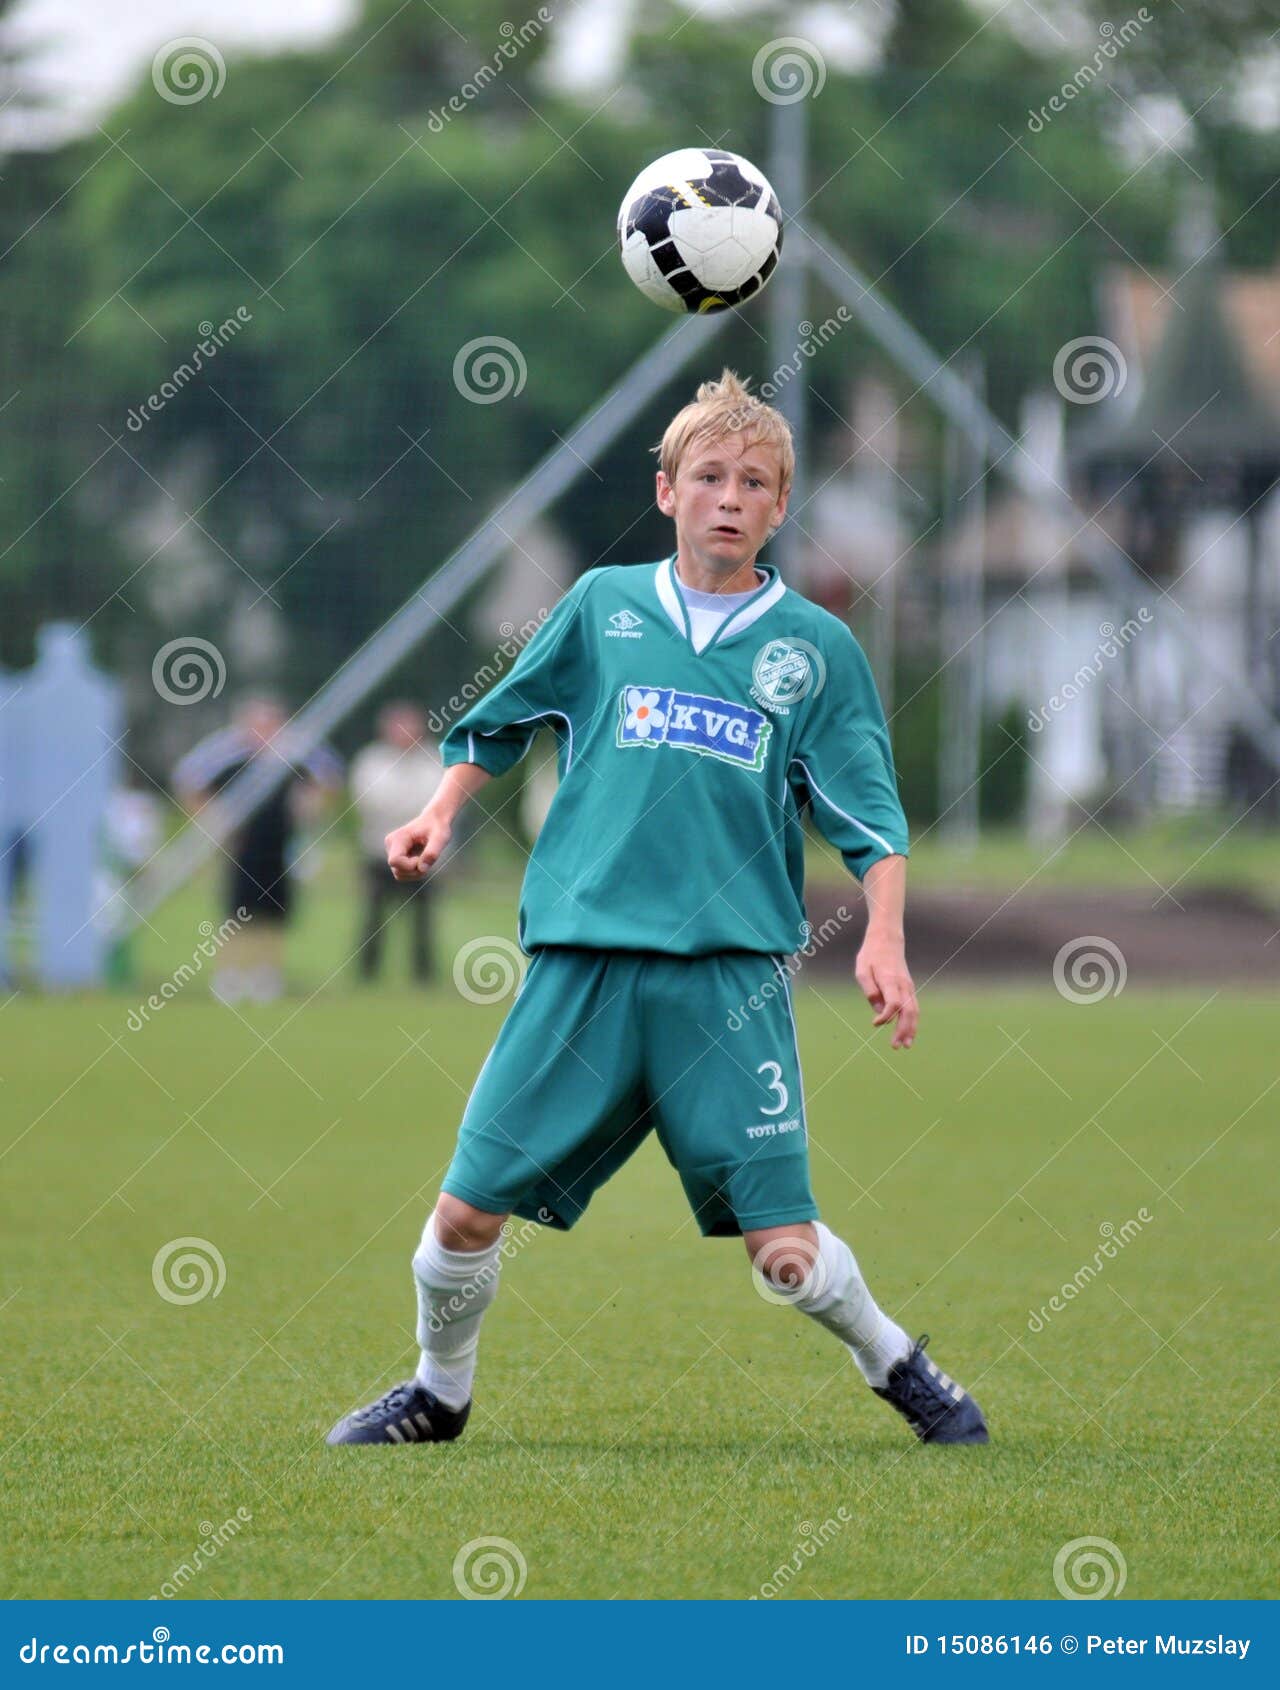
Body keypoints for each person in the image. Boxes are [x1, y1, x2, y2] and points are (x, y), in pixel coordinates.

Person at [327, 370, 988, 1448]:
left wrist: (884, 935)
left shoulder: (814, 649)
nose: (729, 496)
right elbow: (499, 721)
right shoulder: (600, 607)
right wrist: (439, 813)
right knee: (458, 1216)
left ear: (779, 508)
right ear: (665, 489)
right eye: (709, 476)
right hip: (580, 966)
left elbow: (869, 817)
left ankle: (898, 1364)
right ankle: (436, 1394)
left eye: (755, 482)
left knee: (781, 1251)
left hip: (724, 979)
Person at [173, 695, 342, 1003]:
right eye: (258, 725)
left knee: (273, 915)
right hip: (242, 847)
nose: (265, 732)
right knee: (236, 914)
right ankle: (229, 976)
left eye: (271, 725)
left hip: (280, 847)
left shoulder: (293, 753)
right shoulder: (229, 752)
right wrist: (214, 820)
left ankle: (267, 976)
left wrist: (309, 807)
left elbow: (330, 775)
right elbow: (187, 778)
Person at [349, 703, 447, 984]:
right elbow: (370, 801)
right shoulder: (370, 761)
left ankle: (423, 974)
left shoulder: (434, 760)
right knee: (373, 915)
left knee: (423, 919)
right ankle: (367, 972)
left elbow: (438, 803)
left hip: (424, 853)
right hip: (379, 853)